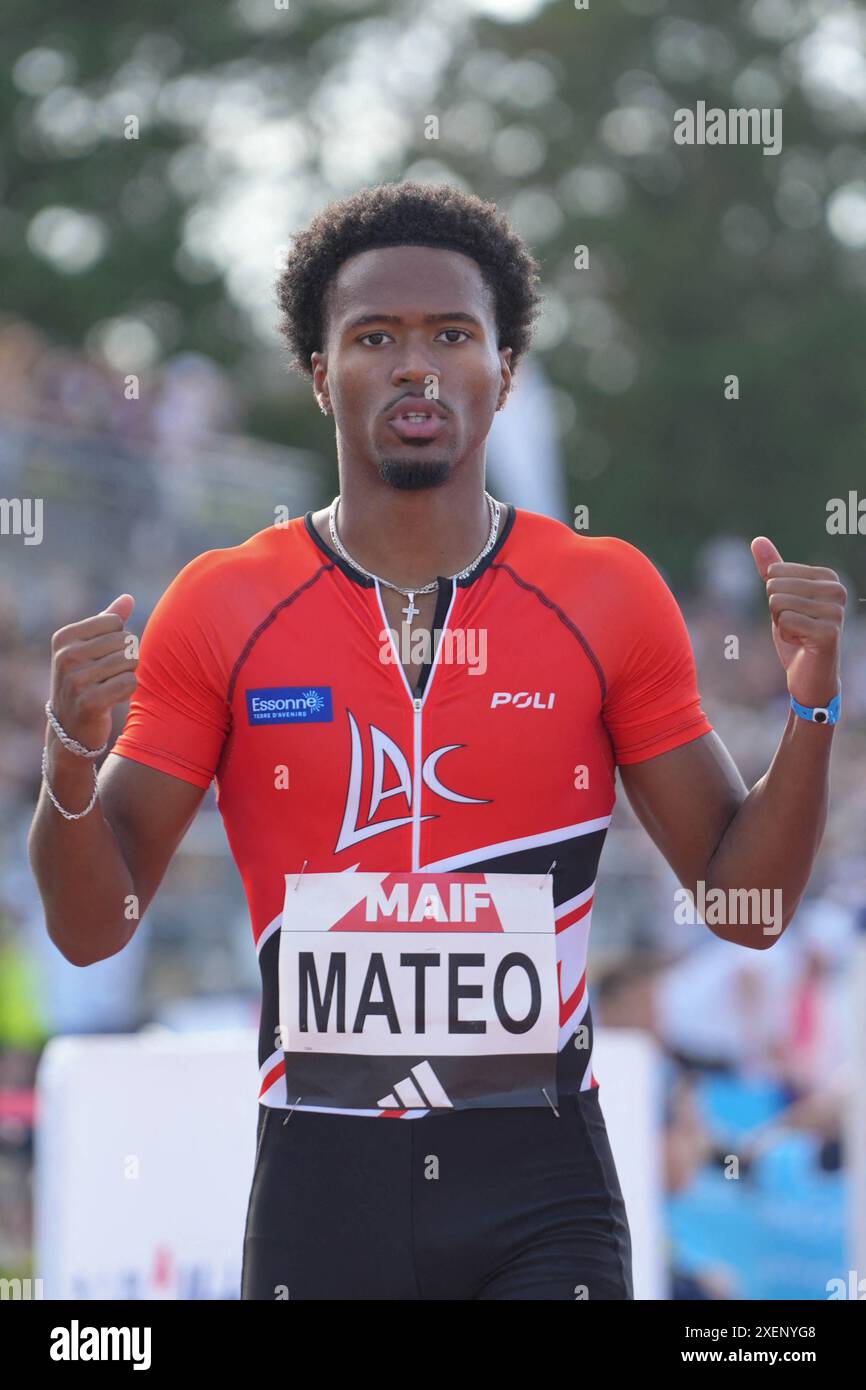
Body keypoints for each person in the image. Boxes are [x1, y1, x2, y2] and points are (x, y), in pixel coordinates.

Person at [28, 181, 846, 1301]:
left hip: (541, 1186)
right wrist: (68, 766)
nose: (416, 366)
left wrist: (807, 709)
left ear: (503, 370)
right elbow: (87, 927)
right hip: (324, 1189)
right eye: (375, 337)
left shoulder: (604, 594)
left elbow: (742, 912)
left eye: (451, 335)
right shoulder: (222, 605)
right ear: (320, 374)